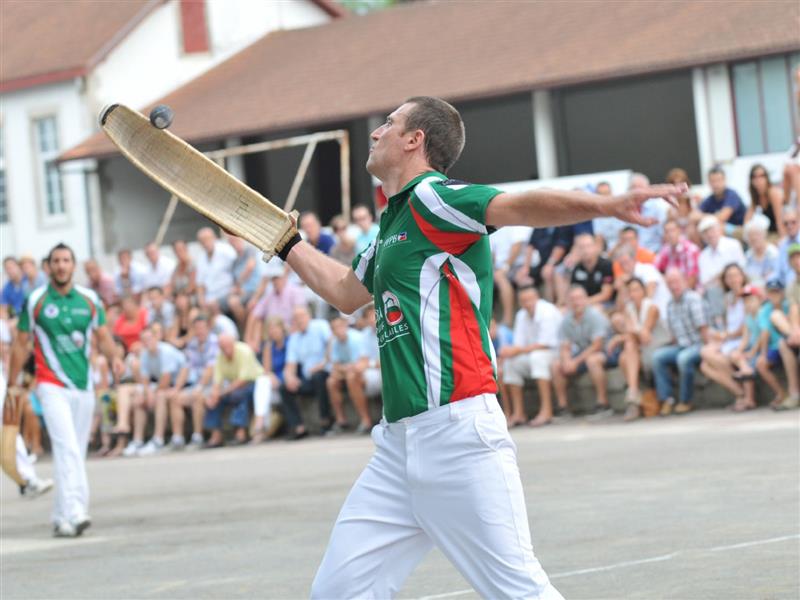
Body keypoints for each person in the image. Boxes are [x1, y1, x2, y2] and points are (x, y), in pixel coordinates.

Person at [276, 96, 681, 598]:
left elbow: (514, 207)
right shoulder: (389, 227)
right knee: (336, 593)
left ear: (414, 140)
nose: (376, 132)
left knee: (520, 591)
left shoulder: (433, 197)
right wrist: (287, 244)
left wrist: (604, 206)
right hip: (396, 450)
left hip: (459, 438)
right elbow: (343, 293)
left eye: (389, 124)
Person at [6, 243, 122, 537]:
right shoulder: (36, 300)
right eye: (56, 261)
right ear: (49, 266)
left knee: (73, 453)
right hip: (50, 384)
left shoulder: (89, 299)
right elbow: (21, 343)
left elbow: (104, 336)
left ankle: (60, 517)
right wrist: (12, 382)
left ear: (74, 265)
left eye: (66, 261)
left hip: (83, 386)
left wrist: (115, 359)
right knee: (67, 448)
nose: (61, 266)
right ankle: (76, 511)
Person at [500, 286, 562, 427]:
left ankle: (547, 411)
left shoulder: (548, 311)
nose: (527, 303)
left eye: (530, 300)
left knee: (537, 357)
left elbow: (545, 344)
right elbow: (518, 344)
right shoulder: (521, 315)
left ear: (537, 298)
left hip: (554, 353)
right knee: (511, 363)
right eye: (523, 301)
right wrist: (508, 352)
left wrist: (515, 350)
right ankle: (519, 413)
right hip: (532, 353)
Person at [551, 286, 617, 417]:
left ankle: (603, 404)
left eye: (580, 298)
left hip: (608, 351)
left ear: (586, 300)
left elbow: (597, 345)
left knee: (593, 360)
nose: (577, 302)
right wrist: (566, 361)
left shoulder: (594, 316)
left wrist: (575, 361)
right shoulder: (567, 319)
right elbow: (565, 345)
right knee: (556, 364)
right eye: (573, 299)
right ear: (568, 302)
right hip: (584, 353)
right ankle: (563, 407)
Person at [652, 268, 709, 415]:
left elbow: (704, 329)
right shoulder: (670, 304)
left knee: (683, 359)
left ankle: (685, 401)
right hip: (680, 345)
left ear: (684, 281)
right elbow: (674, 335)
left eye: (676, 281)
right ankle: (667, 400)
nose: (673, 286)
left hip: (698, 344)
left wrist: (708, 350)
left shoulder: (693, 299)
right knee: (657, 357)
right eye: (670, 283)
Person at [128, 323, 187, 457]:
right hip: (164, 385)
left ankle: (158, 439)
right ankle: (138, 441)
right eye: (144, 340)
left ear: (156, 338)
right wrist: (147, 393)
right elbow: (145, 379)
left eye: (149, 338)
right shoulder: (144, 354)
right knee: (139, 398)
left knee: (160, 396)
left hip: (182, 383)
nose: (147, 342)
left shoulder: (166, 351)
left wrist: (152, 394)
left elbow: (166, 379)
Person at [617, 277, 671, 420]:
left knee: (628, 348)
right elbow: (633, 334)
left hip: (659, 346)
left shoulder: (652, 307)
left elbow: (644, 335)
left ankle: (634, 396)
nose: (633, 294)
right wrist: (628, 333)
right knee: (624, 357)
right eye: (630, 291)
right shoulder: (629, 309)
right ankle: (634, 395)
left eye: (636, 290)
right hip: (643, 350)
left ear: (643, 291)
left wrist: (621, 336)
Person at [698, 264, 749, 407]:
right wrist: (722, 335)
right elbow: (728, 324)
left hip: (742, 339)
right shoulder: (728, 298)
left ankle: (742, 393)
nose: (733, 279)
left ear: (742, 277)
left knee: (706, 355)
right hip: (731, 339)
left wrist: (727, 336)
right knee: (705, 365)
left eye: (735, 275)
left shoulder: (747, 295)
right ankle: (739, 392)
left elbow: (746, 326)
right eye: (729, 276)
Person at [280, 306, 332, 439]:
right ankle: (298, 427)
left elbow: (331, 344)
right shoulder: (294, 338)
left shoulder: (321, 325)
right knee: (284, 387)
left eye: (301, 316)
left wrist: (323, 363)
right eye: (296, 318)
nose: (299, 320)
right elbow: (290, 364)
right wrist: (289, 377)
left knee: (319, 377)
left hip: (325, 370)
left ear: (309, 316)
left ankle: (325, 421)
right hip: (308, 377)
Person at [170, 315, 218, 450]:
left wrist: (200, 386)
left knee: (197, 396)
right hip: (197, 385)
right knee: (175, 398)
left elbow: (211, 368)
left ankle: (198, 437)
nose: (199, 331)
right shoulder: (193, 344)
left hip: (213, 385)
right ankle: (177, 438)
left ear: (208, 328)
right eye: (196, 328)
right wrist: (177, 388)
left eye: (202, 327)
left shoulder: (214, 342)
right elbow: (186, 368)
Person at [204, 334, 262, 447]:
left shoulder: (244, 351)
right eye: (222, 347)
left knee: (238, 395)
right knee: (212, 399)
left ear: (233, 344)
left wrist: (222, 393)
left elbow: (243, 380)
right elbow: (217, 380)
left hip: (253, 383)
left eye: (227, 346)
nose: (225, 350)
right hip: (232, 387)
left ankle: (240, 434)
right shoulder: (220, 356)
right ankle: (216, 436)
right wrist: (214, 395)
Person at [250, 316, 288, 444]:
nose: (272, 331)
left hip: (287, 382)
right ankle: (260, 425)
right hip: (274, 386)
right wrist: (272, 376)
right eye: (270, 329)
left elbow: (291, 365)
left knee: (263, 384)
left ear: (282, 328)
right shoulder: (268, 346)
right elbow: (267, 370)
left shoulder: (290, 341)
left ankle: (259, 427)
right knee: (262, 381)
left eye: (275, 328)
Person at [326, 315, 365, 432]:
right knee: (331, 381)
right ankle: (341, 420)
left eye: (340, 326)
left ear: (346, 326)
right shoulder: (334, 342)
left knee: (350, 377)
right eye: (335, 328)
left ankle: (365, 420)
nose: (338, 330)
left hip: (362, 371)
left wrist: (341, 369)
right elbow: (335, 365)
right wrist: (341, 369)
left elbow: (356, 365)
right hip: (347, 372)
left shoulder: (355, 338)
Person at [195, 227, 236, 311]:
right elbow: (200, 284)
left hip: (226, 293)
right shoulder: (201, 258)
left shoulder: (226, 250)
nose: (205, 243)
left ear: (214, 238)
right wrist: (201, 300)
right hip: (209, 297)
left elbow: (237, 269)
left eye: (207, 239)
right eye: (202, 241)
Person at [569, 233, 614, 307]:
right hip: (582, 304)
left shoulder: (606, 265)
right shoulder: (577, 268)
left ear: (595, 247)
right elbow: (573, 291)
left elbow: (606, 295)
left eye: (588, 246)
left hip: (605, 304)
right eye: (582, 247)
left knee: (597, 309)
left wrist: (584, 302)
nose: (585, 250)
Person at [630, 172, 670, 253]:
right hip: (631, 256)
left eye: (640, 187)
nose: (637, 191)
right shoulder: (625, 208)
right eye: (634, 187)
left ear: (647, 189)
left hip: (654, 253)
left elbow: (665, 236)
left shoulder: (657, 208)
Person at [655, 219, 700, 290]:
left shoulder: (691, 249)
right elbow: (656, 271)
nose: (670, 234)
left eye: (672, 230)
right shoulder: (665, 250)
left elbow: (693, 278)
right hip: (672, 291)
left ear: (679, 231)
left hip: (690, 291)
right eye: (667, 232)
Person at [745, 163, 787, 238]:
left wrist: (783, 243)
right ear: (751, 180)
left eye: (762, 176)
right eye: (755, 177)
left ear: (767, 178)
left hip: (781, 231)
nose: (758, 180)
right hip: (768, 232)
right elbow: (747, 222)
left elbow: (780, 221)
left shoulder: (773, 193)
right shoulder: (756, 196)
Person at [743, 217, 779, 286]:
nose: (753, 238)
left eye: (757, 234)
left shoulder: (773, 253)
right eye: (750, 235)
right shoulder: (748, 255)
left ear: (764, 234)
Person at [776, 207, 800, 287]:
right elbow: (779, 272)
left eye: (793, 222)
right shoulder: (782, 245)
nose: (789, 226)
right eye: (786, 223)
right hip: (787, 290)